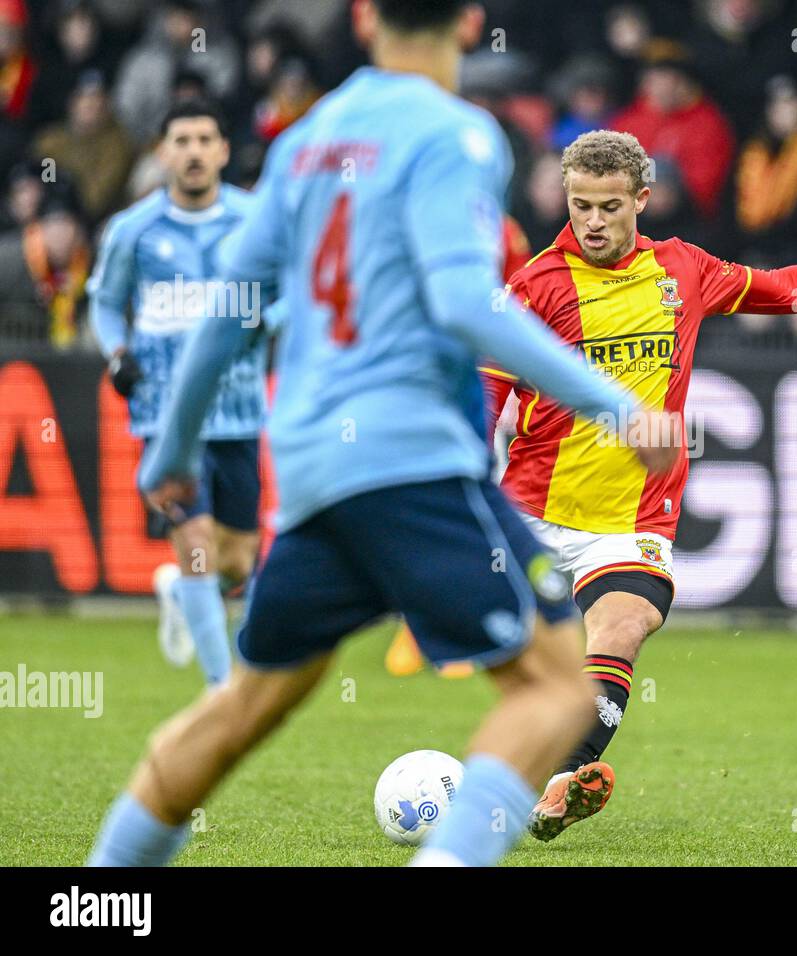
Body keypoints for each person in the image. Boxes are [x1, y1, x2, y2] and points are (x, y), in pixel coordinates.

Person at [86, 0, 674, 870]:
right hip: (413, 463)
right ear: (471, 22)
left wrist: (170, 455)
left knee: (242, 707)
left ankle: (98, 892)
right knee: (556, 692)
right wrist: (616, 406)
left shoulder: (303, 143)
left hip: (317, 470)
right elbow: (463, 302)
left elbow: (229, 317)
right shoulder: (460, 136)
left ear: (363, 19)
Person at [481, 129, 797, 842]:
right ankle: (521, 773)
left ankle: (564, 780)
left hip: (631, 522)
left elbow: (790, 289)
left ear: (641, 199)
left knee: (625, 624)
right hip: (534, 516)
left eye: (609, 206)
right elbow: (484, 403)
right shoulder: (532, 290)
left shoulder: (686, 271)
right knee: (540, 680)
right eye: (580, 204)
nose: (591, 221)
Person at [88, 98, 263, 684]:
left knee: (235, 560)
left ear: (222, 151)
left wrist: (270, 319)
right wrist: (118, 352)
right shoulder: (132, 231)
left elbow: (290, 291)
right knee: (194, 543)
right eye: (180, 141)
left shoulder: (253, 221)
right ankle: (221, 692)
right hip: (166, 418)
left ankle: (181, 594)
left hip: (237, 412)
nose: (191, 152)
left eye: (202, 140)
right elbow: (106, 304)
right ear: (163, 152)